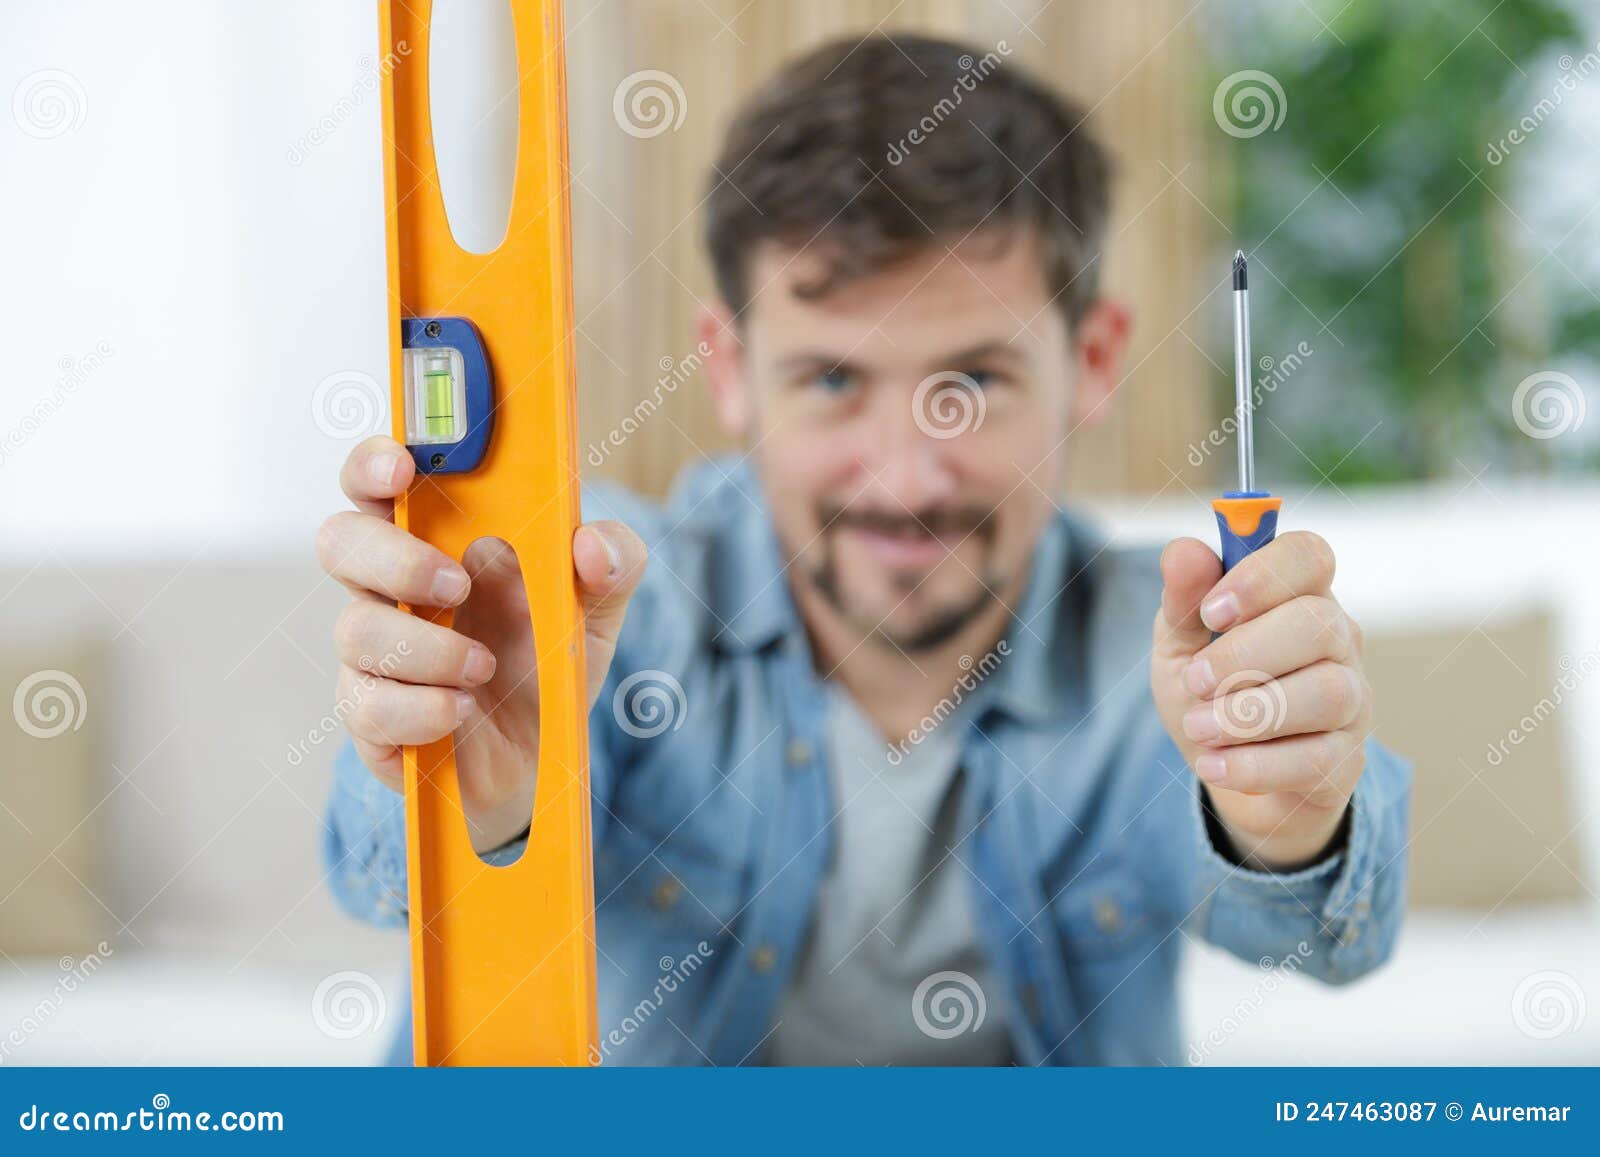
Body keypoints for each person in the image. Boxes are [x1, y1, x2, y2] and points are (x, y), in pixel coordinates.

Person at [318, 32, 1409, 1066]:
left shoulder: (1161, 651)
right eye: (833, 380)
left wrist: (1290, 821)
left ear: (1091, 357)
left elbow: (1331, 938)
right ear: (731, 364)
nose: (902, 475)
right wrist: (469, 786)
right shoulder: (589, 592)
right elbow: (379, 885)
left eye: (970, 384)